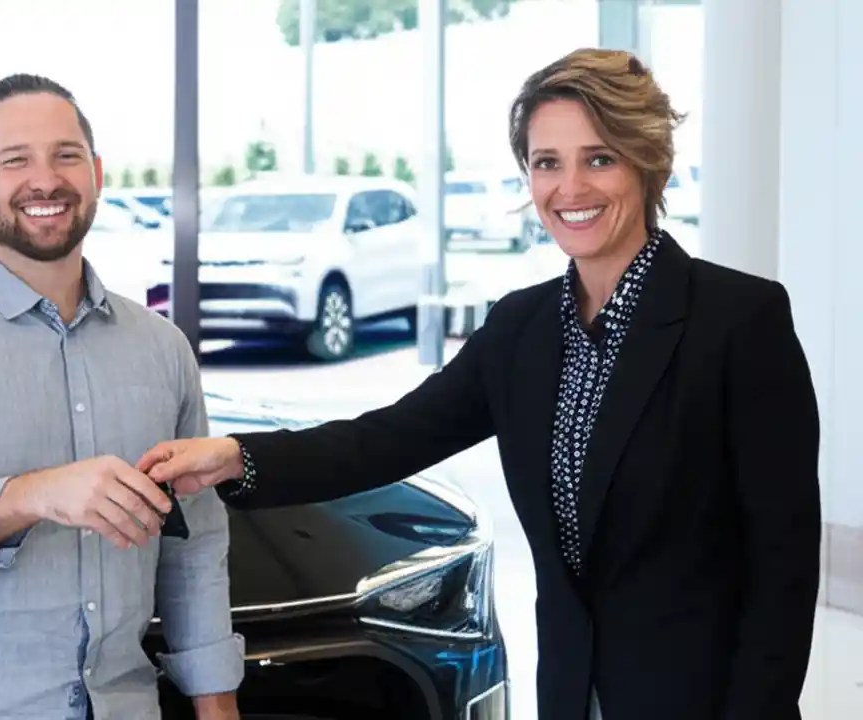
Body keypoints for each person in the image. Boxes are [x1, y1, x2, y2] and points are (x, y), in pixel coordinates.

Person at [139, 48, 821, 720]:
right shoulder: (521, 329)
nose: (570, 188)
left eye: (600, 158)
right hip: (569, 690)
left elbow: (783, 566)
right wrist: (236, 455)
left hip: (700, 698)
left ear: (646, 163)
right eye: (547, 163)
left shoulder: (738, 321)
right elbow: (386, 440)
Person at [0, 74, 243, 720]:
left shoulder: (161, 346)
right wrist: (33, 494)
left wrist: (217, 706)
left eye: (66, 156)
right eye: (16, 160)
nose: (46, 180)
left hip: (124, 704)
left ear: (95, 172)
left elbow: (193, 545)